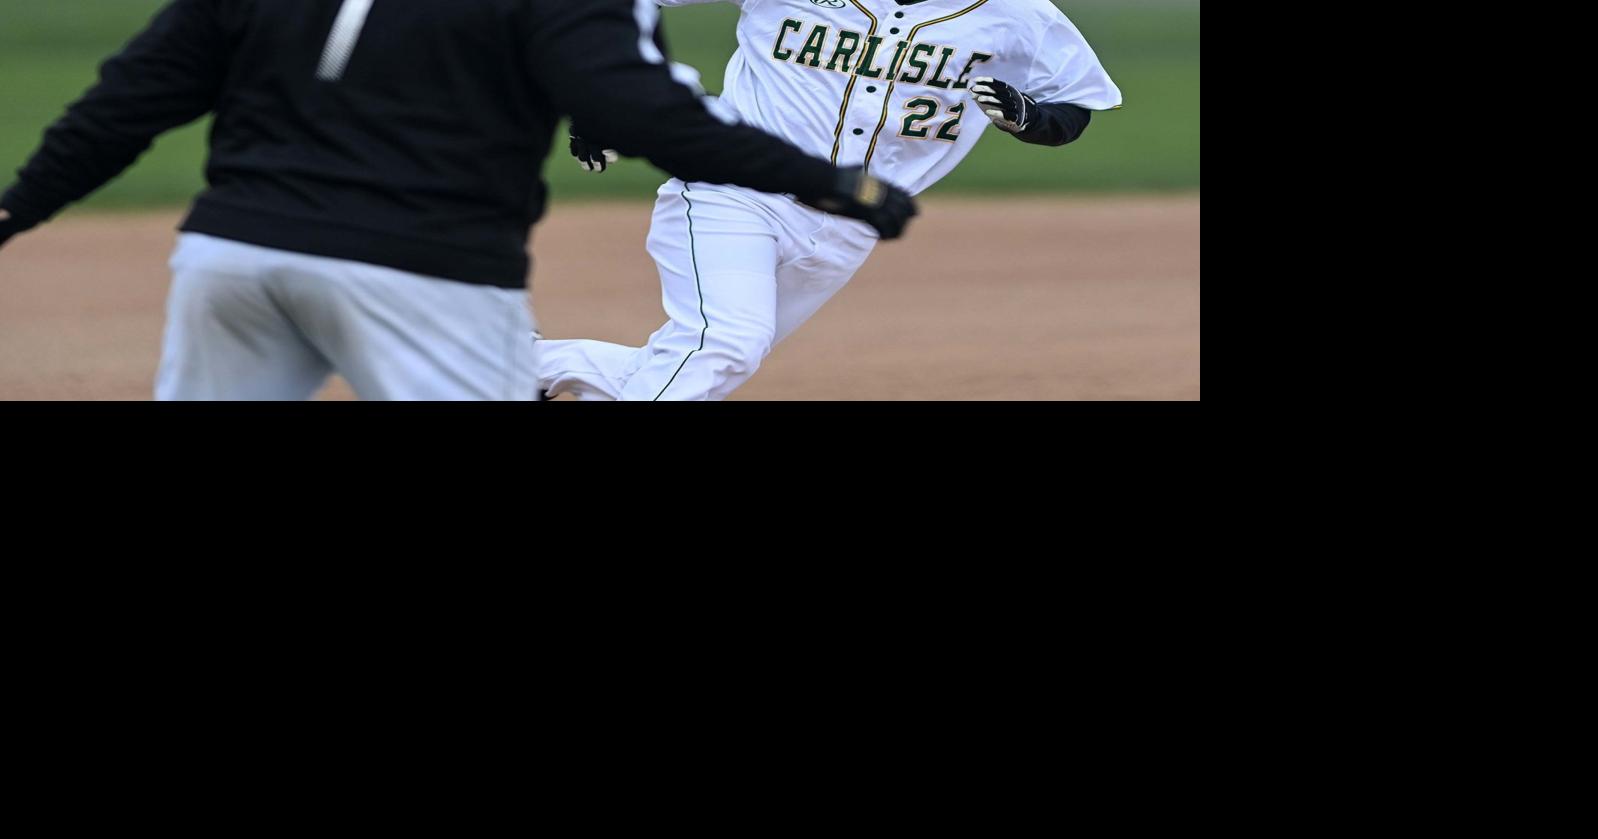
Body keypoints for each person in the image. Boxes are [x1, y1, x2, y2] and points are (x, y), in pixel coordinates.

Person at [0, 0, 916, 401]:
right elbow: (649, 112)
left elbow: (126, 102)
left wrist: (16, 209)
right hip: (426, 275)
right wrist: (832, 181)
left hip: (232, 263)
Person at [540, 0, 1121, 401]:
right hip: (733, 192)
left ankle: (519, 366)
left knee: (695, 364)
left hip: (852, 225)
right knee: (725, 345)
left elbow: (1075, 101)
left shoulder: (1016, 14)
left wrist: (1031, 118)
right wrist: (606, 102)